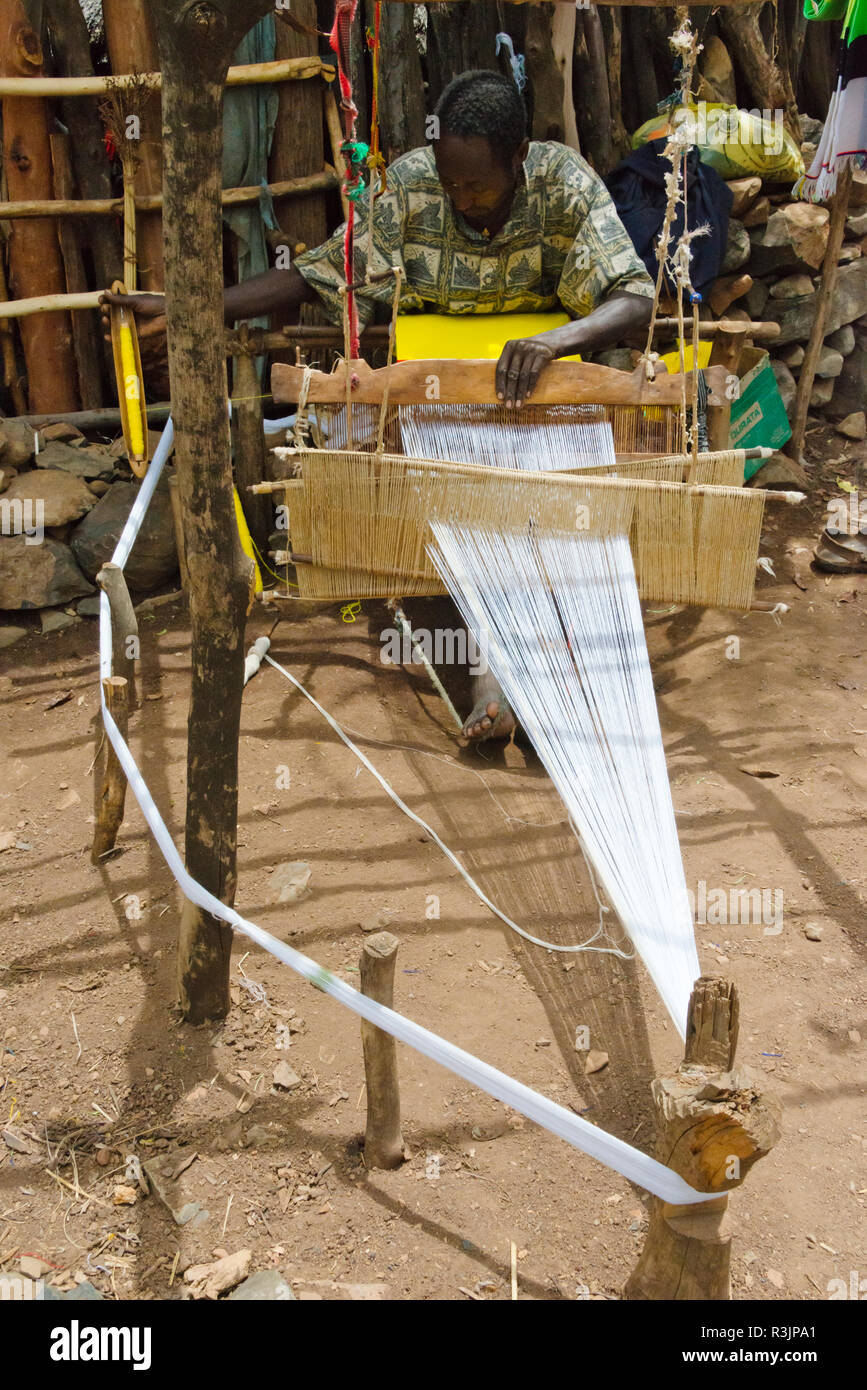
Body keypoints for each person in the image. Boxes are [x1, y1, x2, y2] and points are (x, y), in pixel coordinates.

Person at [102, 68, 655, 740]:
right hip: (441, 404)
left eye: (477, 185)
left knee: (547, 525)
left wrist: (552, 341)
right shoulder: (413, 188)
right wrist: (189, 305)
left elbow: (633, 296)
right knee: (476, 519)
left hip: (543, 398)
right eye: (451, 184)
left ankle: (542, 691)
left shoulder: (563, 182)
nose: (461, 198)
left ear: (518, 159)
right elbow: (314, 275)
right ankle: (496, 678)